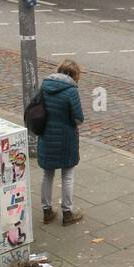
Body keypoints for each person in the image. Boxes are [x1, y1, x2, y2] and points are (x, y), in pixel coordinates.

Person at [36, 59, 86, 226]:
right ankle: (67, 212)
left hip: (46, 137)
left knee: (47, 174)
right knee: (67, 176)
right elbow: (79, 118)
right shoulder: (71, 91)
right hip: (66, 139)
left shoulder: (45, 86)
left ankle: (47, 211)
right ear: (74, 75)